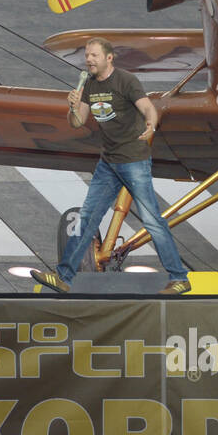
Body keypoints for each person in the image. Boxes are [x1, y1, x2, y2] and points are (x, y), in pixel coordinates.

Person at [30, 37, 190, 294]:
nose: (88, 60)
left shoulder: (125, 81)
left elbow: (148, 107)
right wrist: (72, 107)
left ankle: (180, 278)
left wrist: (151, 125)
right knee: (87, 219)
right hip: (108, 163)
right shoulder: (90, 86)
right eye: (87, 56)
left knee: (152, 220)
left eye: (93, 55)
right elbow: (77, 122)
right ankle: (63, 277)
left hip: (134, 160)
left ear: (109, 58)